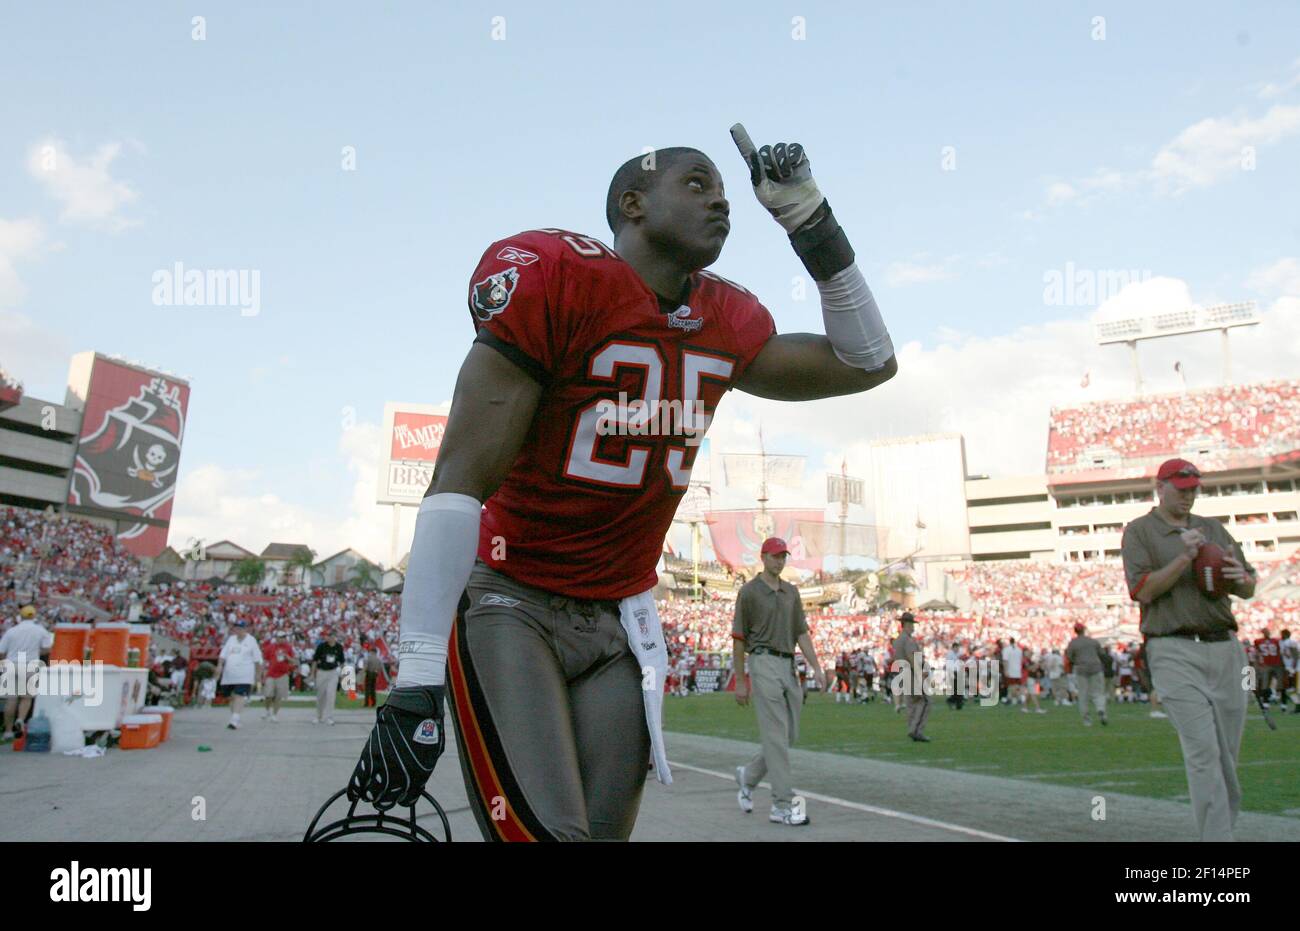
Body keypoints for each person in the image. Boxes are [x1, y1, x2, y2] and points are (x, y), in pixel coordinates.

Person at [343, 129, 897, 840]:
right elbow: (456, 483)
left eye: (725, 190)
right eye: (697, 184)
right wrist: (415, 681)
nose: (722, 200)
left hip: (617, 619)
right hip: (511, 600)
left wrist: (810, 219)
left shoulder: (725, 317)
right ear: (633, 204)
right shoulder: (557, 276)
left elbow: (869, 361)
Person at [1121, 458, 1256, 841]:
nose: (1189, 496)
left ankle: (1220, 833)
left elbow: (1248, 587)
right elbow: (1143, 591)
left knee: (1226, 757)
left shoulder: (1213, 527)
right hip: (1172, 648)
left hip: (1225, 646)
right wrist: (1185, 558)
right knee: (1202, 753)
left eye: (1194, 489)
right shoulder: (1140, 532)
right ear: (1159, 487)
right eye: (1181, 489)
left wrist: (1239, 578)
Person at [732, 537, 827, 825]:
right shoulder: (748, 592)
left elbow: (801, 632)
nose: (780, 560)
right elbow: (738, 639)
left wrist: (817, 667)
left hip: (788, 664)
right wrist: (740, 680)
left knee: (787, 737)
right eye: (775, 556)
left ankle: (748, 777)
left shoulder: (791, 592)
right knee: (776, 736)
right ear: (763, 557)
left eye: (783, 556)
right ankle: (782, 806)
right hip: (762, 661)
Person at [1, 605, 53, 742]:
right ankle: (21, 719)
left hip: (12, 664)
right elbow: (47, 648)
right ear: (34, 616)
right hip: (30, 664)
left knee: (11, 699)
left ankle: (7, 731)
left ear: (20, 616)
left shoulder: (12, 631)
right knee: (26, 697)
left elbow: (1, 651)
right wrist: (36, 652)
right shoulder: (40, 630)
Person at [215, 621, 261, 730]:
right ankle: (235, 717)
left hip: (244, 674)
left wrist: (258, 675)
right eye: (236, 628)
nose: (238, 630)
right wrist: (219, 666)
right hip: (229, 674)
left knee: (239, 695)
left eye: (241, 628)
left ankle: (234, 719)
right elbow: (223, 654)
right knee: (231, 697)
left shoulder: (251, 641)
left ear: (245, 629)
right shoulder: (231, 639)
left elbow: (257, 659)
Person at [892, 613, 931, 742]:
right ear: (907, 625)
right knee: (924, 702)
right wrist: (921, 673)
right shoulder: (908, 640)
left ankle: (912, 727)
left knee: (911, 704)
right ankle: (916, 730)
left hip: (903, 674)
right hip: (912, 675)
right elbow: (912, 658)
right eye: (912, 625)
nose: (913, 628)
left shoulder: (897, 641)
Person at [1064, 623, 1108, 726]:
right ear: (1084, 630)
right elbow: (1102, 654)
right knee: (1098, 692)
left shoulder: (1073, 643)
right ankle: (1101, 709)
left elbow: (1069, 657)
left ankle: (1087, 719)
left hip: (1081, 669)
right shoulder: (1093, 641)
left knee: (1083, 695)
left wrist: (1077, 661)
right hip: (1096, 667)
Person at [311, 630, 345, 725]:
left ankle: (329, 717)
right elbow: (315, 660)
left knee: (331, 695)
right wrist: (312, 673)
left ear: (335, 637)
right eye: (329, 636)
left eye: (332, 636)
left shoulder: (339, 647)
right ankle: (318, 716)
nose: (330, 638)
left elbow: (341, 662)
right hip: (322, 671)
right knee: (320, 695)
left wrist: (343, 674)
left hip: (333, 672)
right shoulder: (322, 646)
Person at [261, 634, 295, 721]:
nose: (282, 639)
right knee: (268, 694)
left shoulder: (288, 647)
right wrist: (263, 673)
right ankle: (267, 710)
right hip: (271, 674)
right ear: (276, 638)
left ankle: (274, 714)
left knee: (279, 696)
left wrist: (287, 657)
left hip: (283, 674)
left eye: (283, 637)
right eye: (280, 637)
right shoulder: (270, 647)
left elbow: (293, 661)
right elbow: (265, 660)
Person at [1002, 637, 1025, 710]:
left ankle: (1013, 699)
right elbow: (1021, 660)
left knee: (1011, 686)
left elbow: (1005, 661)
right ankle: (1015, 698)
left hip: (1010, 670)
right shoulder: (1019, 649)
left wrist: (1005, 670)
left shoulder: (1006, 650)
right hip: (1017, 670)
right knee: (1017, 686)